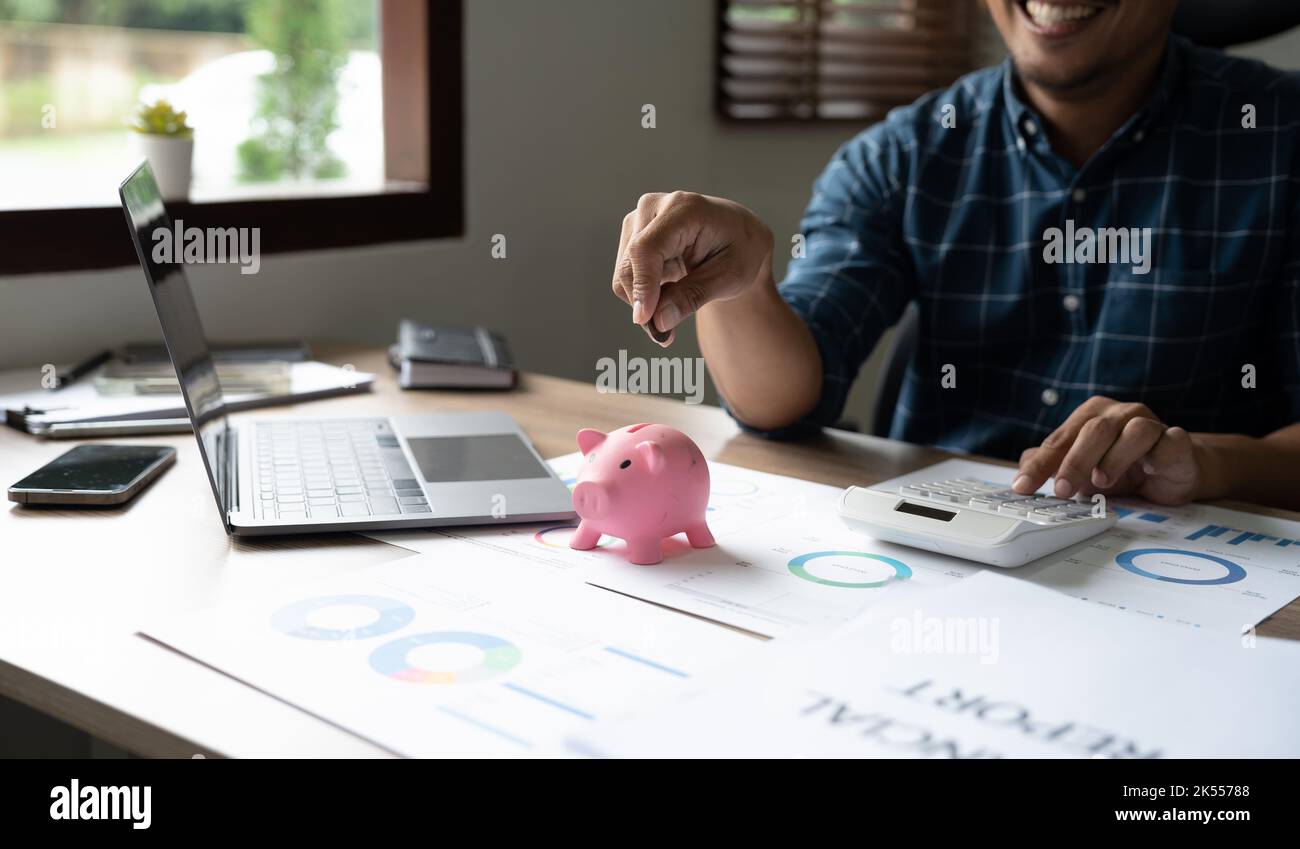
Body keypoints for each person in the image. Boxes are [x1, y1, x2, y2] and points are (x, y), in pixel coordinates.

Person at [609, 0, 1300, 509]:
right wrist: (744, 281)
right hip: (933, 566)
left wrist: (1203, 461)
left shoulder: (1282, 141)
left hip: (1184, 582)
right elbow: (783, 403)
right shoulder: (903, 153)